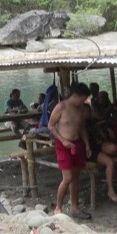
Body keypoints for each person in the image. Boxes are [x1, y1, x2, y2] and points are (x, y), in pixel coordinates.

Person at [48, 82, 93, 219]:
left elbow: (81, 128)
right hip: (63, 144)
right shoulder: (61, 106)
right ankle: (58, 207)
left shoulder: (81, 109)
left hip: (77, 143)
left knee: (75, 177)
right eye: (83, 98)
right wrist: (63, 140)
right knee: (67, 177)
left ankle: (74, 207)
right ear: (76, 95)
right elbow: (51, 126)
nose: (84, 101)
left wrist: (87, 144)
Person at [84, 104, 117, 202]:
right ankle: (111, 190)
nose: (87, 113)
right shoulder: (79, 124)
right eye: (85, 111)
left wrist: (105, 135)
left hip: (98, 145)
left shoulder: (93, 121)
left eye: (88, 111)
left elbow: (102, 135)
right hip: (89, 150)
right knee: (110, 162)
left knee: (114, 148)